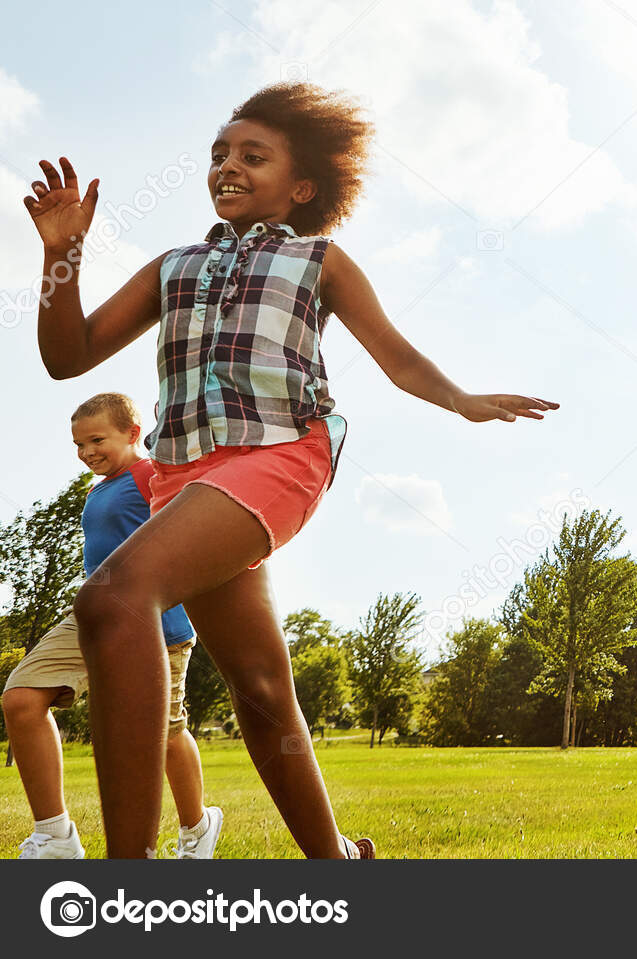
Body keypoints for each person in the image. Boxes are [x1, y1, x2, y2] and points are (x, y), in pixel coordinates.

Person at [23, 81, 558, 859]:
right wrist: (62, 255)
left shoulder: (318, 260)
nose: (227, 165)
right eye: (218, 154)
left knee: (114, 599)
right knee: (263, 692)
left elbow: (398, 358)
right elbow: (65, 357)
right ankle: (339, 862)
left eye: (252, 154)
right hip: (186, 475)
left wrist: (464, 398)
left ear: (302, 185)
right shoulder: (174, 266)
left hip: (280, 454)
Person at [4, 393, 222, 860]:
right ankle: (56, 835)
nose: (86, 452)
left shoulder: (152, 476)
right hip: (95, 614)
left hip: (157, 621)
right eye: (78, 444)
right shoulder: (97, 489)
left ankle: (197, 826)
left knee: (164, 733)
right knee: (21, 699)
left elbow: (195, 537)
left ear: (132, 433)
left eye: (97, 440)